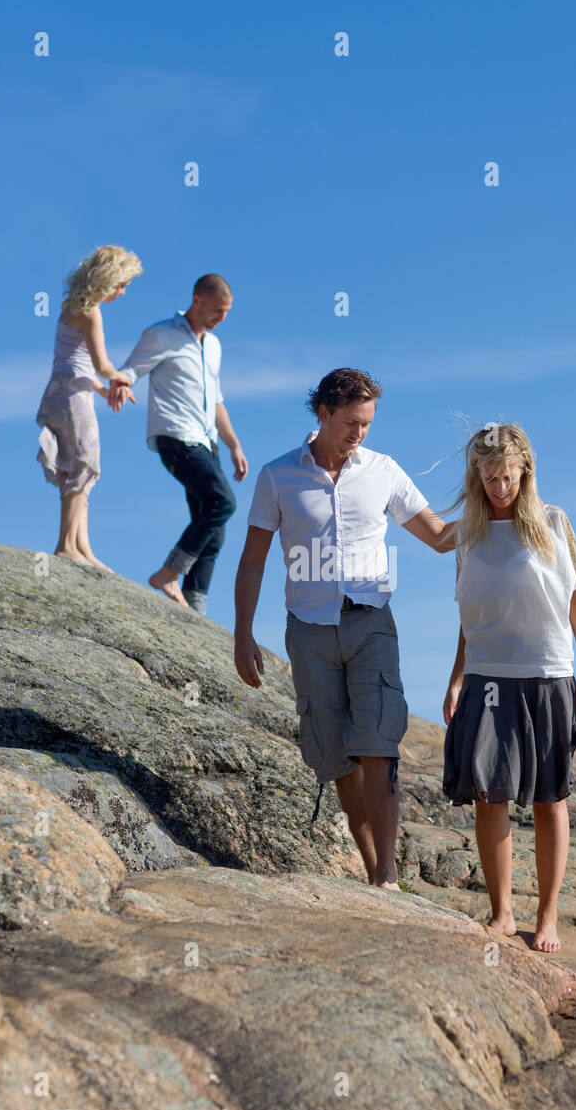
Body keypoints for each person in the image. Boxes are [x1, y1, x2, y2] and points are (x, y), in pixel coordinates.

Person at [234, 367, 458, 889]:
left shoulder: (383, 471)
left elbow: (441, 536)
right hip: (308, 630)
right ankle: (370, 866)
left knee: (379, 745)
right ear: (324, 413)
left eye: (368, 424)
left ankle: (388, 877)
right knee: (337, 760)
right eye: (352, 422)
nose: (360, 433)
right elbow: (252, 562)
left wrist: (499, 509)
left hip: (371, 623)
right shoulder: (277, 476)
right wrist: (243, 633)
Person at [441, 422, 576, 953]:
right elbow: (468, 615)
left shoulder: (554, 522)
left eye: (507, 476)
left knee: (550, 798)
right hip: (488, 674)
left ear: (523, 470)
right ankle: (503, 912)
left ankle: (548, 916)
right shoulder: (469, 532)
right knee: (491, 793)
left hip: (549, 670)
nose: (499, 487)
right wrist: (457, 676)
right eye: (489, 478)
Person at [107, 274, 246, 616]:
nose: (222, 318)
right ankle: (169, 574)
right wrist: (122, 384)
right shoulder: (161, 334)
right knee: (222, 502)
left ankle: (194, 604)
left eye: (227, 312)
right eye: (217, 310)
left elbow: (215, 402)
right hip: (175, 437)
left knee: (214, 530)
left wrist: (234, 445)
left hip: (206, 441)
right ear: (197, 300)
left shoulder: (213, 346)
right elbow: (129, 369)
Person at [36, 245, 142, 568]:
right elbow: (103, 364)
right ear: (106, 279)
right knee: (84, 462)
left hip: (62, 390)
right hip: (72, 396)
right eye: (121, 284)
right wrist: (123, 379)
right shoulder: (91, 311)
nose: (123, 292)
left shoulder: (71, 306)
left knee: (77, 463)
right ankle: (67, 544)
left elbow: (75, 363)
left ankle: (81, 544)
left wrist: (102, 389)